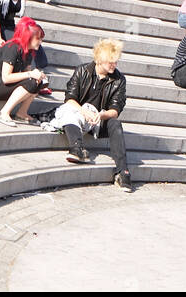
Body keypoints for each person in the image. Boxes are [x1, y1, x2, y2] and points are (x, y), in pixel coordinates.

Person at [49, 37, 132, 192]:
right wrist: (83, 111)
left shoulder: (119, 80)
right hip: (78, 113)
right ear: (100, 60)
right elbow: (70, 99)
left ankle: (123, 172)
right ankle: (76, 148)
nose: (114, 65)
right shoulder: (82, 71)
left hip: (98, 120)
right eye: (111, 62)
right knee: (69, 111)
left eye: (116, 61)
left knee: (116, 124)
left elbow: (116, 109)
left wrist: (101, 115)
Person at [0, 16, 47, 125]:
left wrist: (37, 76)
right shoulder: (12, 48)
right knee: (31, 81)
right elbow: (6, 78)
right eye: (38, 38)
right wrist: (30, 74)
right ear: (28, 37)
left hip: (3, 84)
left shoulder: (28, 51)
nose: (40, 42)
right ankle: (3, 113)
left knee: (36, 82)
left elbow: (28, 76)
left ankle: (22, 113)